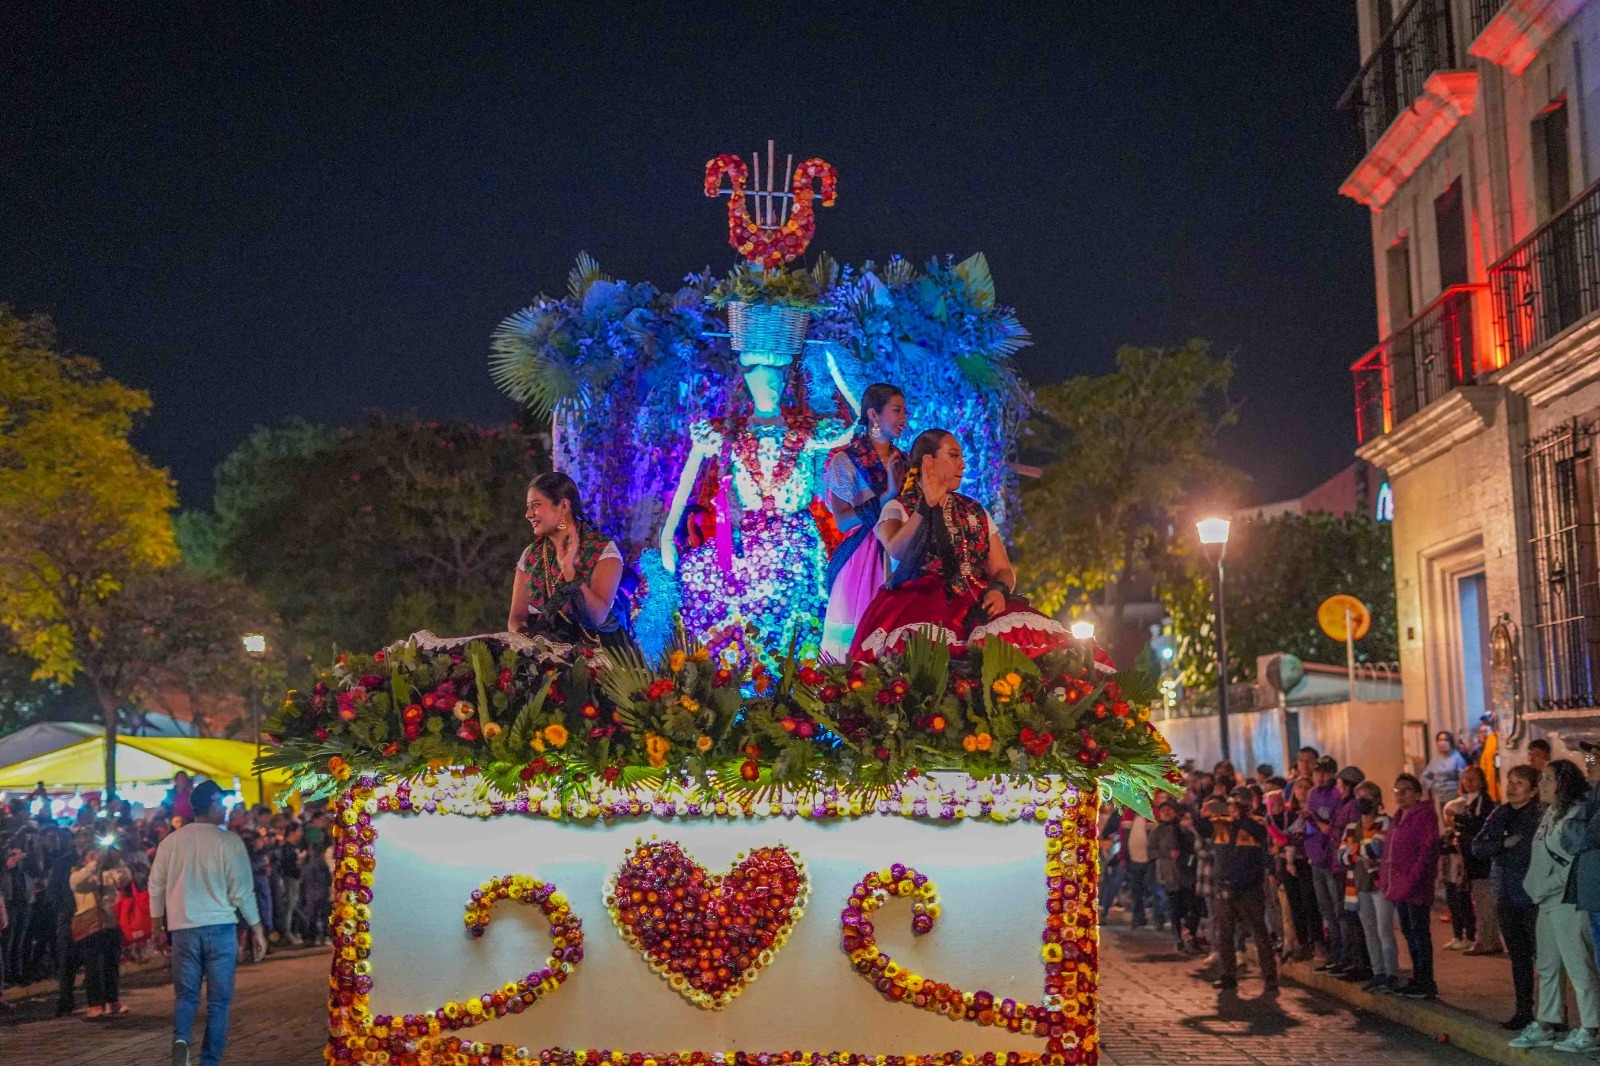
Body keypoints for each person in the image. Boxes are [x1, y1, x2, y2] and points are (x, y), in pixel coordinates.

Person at [849, 429, 1073, 660]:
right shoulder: (898, 507)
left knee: (1040, 643)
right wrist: (926, 506)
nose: (962, 465)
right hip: (921, 602)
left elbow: (1003, 570)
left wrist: (999, 590)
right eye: (954, 456)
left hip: (977, 601)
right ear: (929, 461)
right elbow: (896, 549)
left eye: (962, 458)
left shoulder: (974, 510)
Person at [149, 780, 268, 1066]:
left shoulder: (171, 842)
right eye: (223, 805)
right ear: (213, 805)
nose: (226, 811)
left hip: (183, 929)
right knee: (219, 1002)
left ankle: (181, 1041)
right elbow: (241, 891)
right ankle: (209, 1061)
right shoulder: (229, 842)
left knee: (186, 996)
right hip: (220, 928)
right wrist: (257, 928)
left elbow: (156, 886)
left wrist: (156, 927)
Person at [1511, 759, 1600, 1052]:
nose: (1542, 785)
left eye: (1548, 779)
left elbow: (1574, 863)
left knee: (1578, 965)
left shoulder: (1575, 814)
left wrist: (1544, 886)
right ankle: (1547, 1022)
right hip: (1545, 899)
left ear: (1564, 783)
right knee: (1548, 965)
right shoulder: (1551, 812)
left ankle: (1592, 1027)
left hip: (1567, 901)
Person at [820, 383, 909, 660]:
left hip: (902, 550)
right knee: (856, 643)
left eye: (905, 411)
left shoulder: (904, 462)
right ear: (873, 414)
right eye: (896, 410)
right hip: (864, 556)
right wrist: (886, 497)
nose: (903, 418)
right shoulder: (845, 462)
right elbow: (844, 522)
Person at [508, 471, 634, 651]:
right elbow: (516, 617)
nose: (528, 514)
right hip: (541, 653)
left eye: (535, 505)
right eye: (528, 506)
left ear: (564, 506)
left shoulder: (603, 551)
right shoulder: (530, 555)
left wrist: (569, 571)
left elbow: (598, 617)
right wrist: (530, 641)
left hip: (598, 652)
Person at [1474, 763, 1545, 1031]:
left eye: (1519, 783)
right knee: (1518, 956)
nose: (1512, 787)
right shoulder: (1500, 814)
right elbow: (1478, 846)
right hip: (1506, 895)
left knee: (1544, 958)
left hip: (1533, 896)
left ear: (1533, 790)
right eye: (1510, 781)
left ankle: (1553, 1013)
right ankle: (1523, 1009)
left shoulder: (1539, 815)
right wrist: (1501, 844)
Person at [1194, 788, 1279, 993]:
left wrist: (1242, 818)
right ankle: (1227, 975)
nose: (1235, 807)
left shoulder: (1257, 822)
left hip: (1249, 886)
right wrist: (1203, 810)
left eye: (1241, 803)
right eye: (1234, 803)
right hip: (1224, 885)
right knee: (1224, 933)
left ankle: (1270, 977)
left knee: (1259, 932)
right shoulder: (1220, 822)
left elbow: (1260, 835)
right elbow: (1201, 827)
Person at [1381, 773, 1440, 999]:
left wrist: (1413, 878)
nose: (1400, 795)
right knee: (1408, 932)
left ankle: (1426, 981)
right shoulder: (1398, 818)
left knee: (1419, 933)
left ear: (1417, 794)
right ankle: (1418, 977)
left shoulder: (1424, 817)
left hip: (1415, 887)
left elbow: (1427, 851)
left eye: (1405, 790)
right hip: (1399, 887)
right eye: (1397, 791)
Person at [68, 829, 130, 1019]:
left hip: (110, 923)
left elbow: (124, 877)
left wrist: (115, 860)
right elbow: (79, 884)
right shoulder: (78, 873)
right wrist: (95, 864)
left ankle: (113, 1000)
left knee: (112, 964)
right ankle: (95, 1003)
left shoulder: (111, 870)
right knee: (93, 966)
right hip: (91, 925)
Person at [1343, 781, 1398, 991]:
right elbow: (1342, 856)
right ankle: (1378, 971)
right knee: (1369, 929)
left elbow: (1378, 848)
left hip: (1380, 883)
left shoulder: (1385, 822)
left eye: (1367, 796)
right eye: (1359, 796)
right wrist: (1359, 852)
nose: (1362, 801)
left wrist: (1355, 851)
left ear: (1377, 800)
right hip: (1359, 883)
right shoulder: (1351, 827)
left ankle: (1391, 973)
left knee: (1384, 928)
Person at [1450, 765, 1500, 955]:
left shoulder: (1482, 802)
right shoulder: (1471, 802)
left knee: (1485, 902)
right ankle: (1485, 939)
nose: (1468, 782)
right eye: (1465, 778)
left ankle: (1488, 940)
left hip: (1481, 863)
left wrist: (1462, 826)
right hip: (1473, 862)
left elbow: (1478, 827)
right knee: (1479, 901)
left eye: (1473, 778)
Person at [1304, 758, 1345, 970]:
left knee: (1338, 908)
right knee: (1325, 909)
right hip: (1316, 857)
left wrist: (1319, 823)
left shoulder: (1336, 795)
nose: (1321, 777)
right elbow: (1310, 822)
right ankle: (1334, 953)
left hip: (1331, 859)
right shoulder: (1312, 794)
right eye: (1318, 772)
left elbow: (1331, 827)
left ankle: (1343, 954)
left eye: (1326, 773)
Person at [1150, 799, 1200, 953]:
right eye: (1163, 810)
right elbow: (1151, 851)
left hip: (1186, 874)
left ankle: (1190, 933)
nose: (1166, 813)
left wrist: (1189, 862)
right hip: (1169, 874)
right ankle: (1178, 938)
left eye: (1169, 810)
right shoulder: (1157, 831)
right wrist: (1167, 854)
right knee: (1174, 908)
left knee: (1191, 906)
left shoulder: (1184, 829)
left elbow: (1193, 849)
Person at [1423, 730, 1468, 806]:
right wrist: (1432, 787)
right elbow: (1426, 776)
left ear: (1450, 742)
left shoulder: (1457, 758)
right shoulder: (1435, 760)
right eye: (1440, 740)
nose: (1442, 742)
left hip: (1455, 797)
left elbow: (1463, 778)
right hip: (1440, 797)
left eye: (1445, 740)